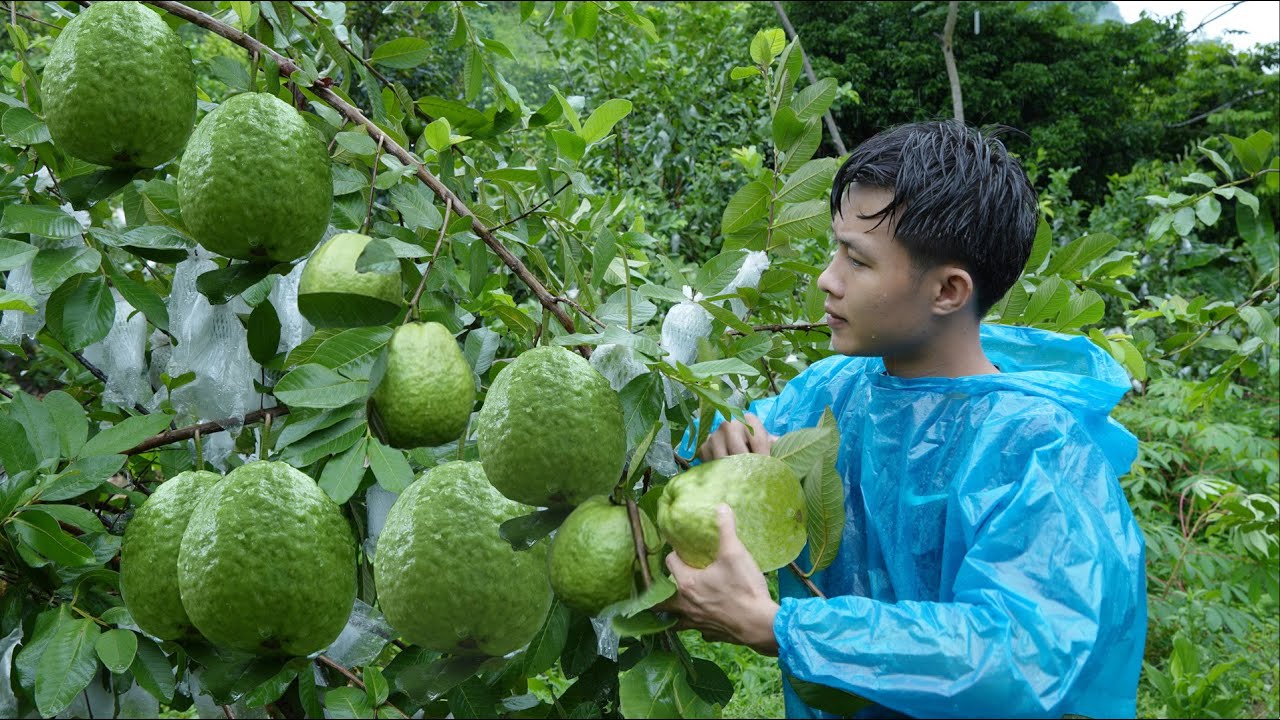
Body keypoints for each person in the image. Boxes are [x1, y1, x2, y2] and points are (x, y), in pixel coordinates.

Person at [663, 120, 1148, 719]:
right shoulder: (833, 392)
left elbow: (1020, 655)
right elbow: (708, 445)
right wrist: (727, 441)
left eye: (857, 260)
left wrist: (782, 628)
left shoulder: (1039, 449)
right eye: (836, 249)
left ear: (948, 291)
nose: (827, 279)